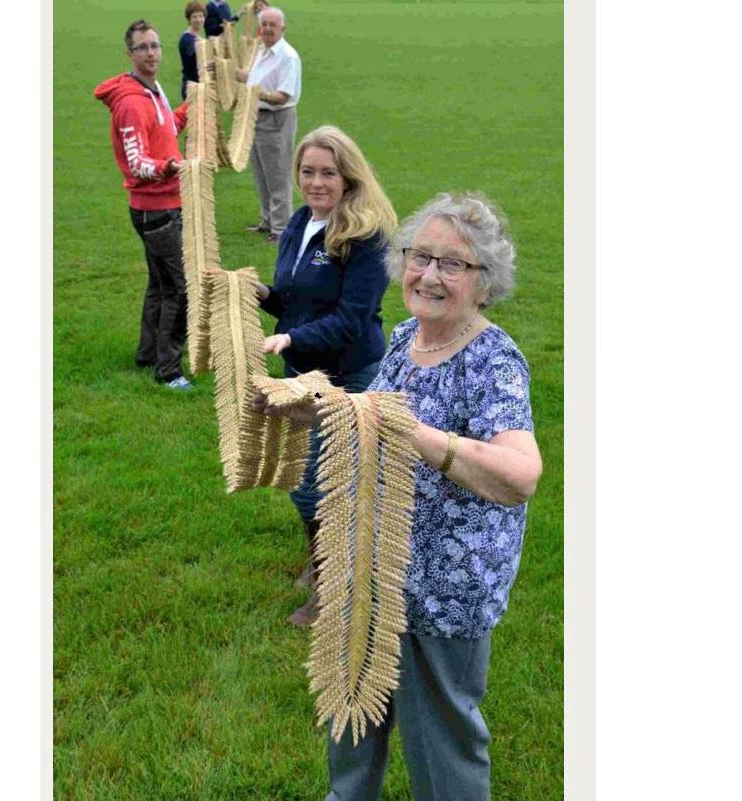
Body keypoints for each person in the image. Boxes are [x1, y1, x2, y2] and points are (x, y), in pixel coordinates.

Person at [254, 192, 544, 800]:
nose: (429, 275)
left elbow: (520, 476)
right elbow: (367, 423)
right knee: (350, 721)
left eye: (453, 264)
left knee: (442, 745)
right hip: (370, 568)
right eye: (420, 257)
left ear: (484, 283)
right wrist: (304, 408)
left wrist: (417, 436)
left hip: (442, 589)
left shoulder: (494, 362)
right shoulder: (409, 335)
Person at [255, 125, 398, 626]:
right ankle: (322, 565)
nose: (316, 182)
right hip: (301, 373)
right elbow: (294, 299)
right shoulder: (299, 222)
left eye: (328, 173)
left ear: (349, 177)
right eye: (307, 172)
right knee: (304, 478)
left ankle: (332, 587)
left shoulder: (367, 236)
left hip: (346, 375)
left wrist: (290, 339)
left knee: (322, 484)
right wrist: (261, 296)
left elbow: (351, 318)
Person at [95, 19, 193, 390]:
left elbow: (165, 130)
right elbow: (138, 162)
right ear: (130, 53)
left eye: (155, 45)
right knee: (179, 289)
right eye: (143, 48)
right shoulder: (131, 103)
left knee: (159, 284)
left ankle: (147, 352)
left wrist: (187, 110)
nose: (151, 53)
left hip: (163, 204)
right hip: (156, 208)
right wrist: (167, 168)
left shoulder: (152, 90)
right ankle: (169, 370)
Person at [237, 6, 301, 243]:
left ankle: (281, 229)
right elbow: (252, 78)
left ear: (283, 28)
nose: (268, 29)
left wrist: (258, 94)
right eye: (264, 25)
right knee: (261, 172)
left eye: (273, 25)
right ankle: (267, 221)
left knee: (277, 173)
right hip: (258, 117)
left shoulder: (288, 56)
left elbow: (283, 95)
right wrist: (228, 71)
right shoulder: (262, 51)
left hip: (277, 119)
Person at [178, 3, 206, 101]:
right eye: (194, 17)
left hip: (200, 87)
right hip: (191, 88)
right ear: (189, 19)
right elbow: (196, 55)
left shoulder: (199, 39)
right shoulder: (187, 39)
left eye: (201, 16)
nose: (198, 20)